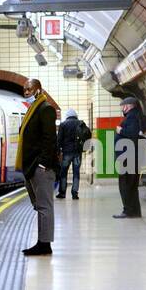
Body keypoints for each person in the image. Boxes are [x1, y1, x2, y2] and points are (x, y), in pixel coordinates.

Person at [16, 78, 58, 257]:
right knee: (40, 206)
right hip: (32, 167)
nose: (26, 93)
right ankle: (42, 242)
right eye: (24, 90)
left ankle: (44, 245)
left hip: (41, 168)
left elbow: (50, 140)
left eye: (29, 89)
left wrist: (42, 164)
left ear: (39, 90)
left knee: (44, 206)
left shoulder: (45, 109)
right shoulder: (32, 110)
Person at [113, 95, 145, 219]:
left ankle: (128, 211)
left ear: (127, 106)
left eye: (122, 106)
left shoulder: (132, 117)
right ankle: (135, 211)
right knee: (131, 186)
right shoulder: (136, 116)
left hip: (128, 158)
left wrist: (120, 131)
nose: (122, 109)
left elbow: (132, 134)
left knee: (126, 185)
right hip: (132, 157)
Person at [55, 108, 91, 200]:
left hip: (66, 152)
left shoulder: (63, 124)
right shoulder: (80, 123)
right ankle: (75, 193)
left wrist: (58, 151)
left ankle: (62, 193)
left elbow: (59, 139)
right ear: (75, 115)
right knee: (76, 173)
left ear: (67, 116)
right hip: (77, 153)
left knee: (63, 173)